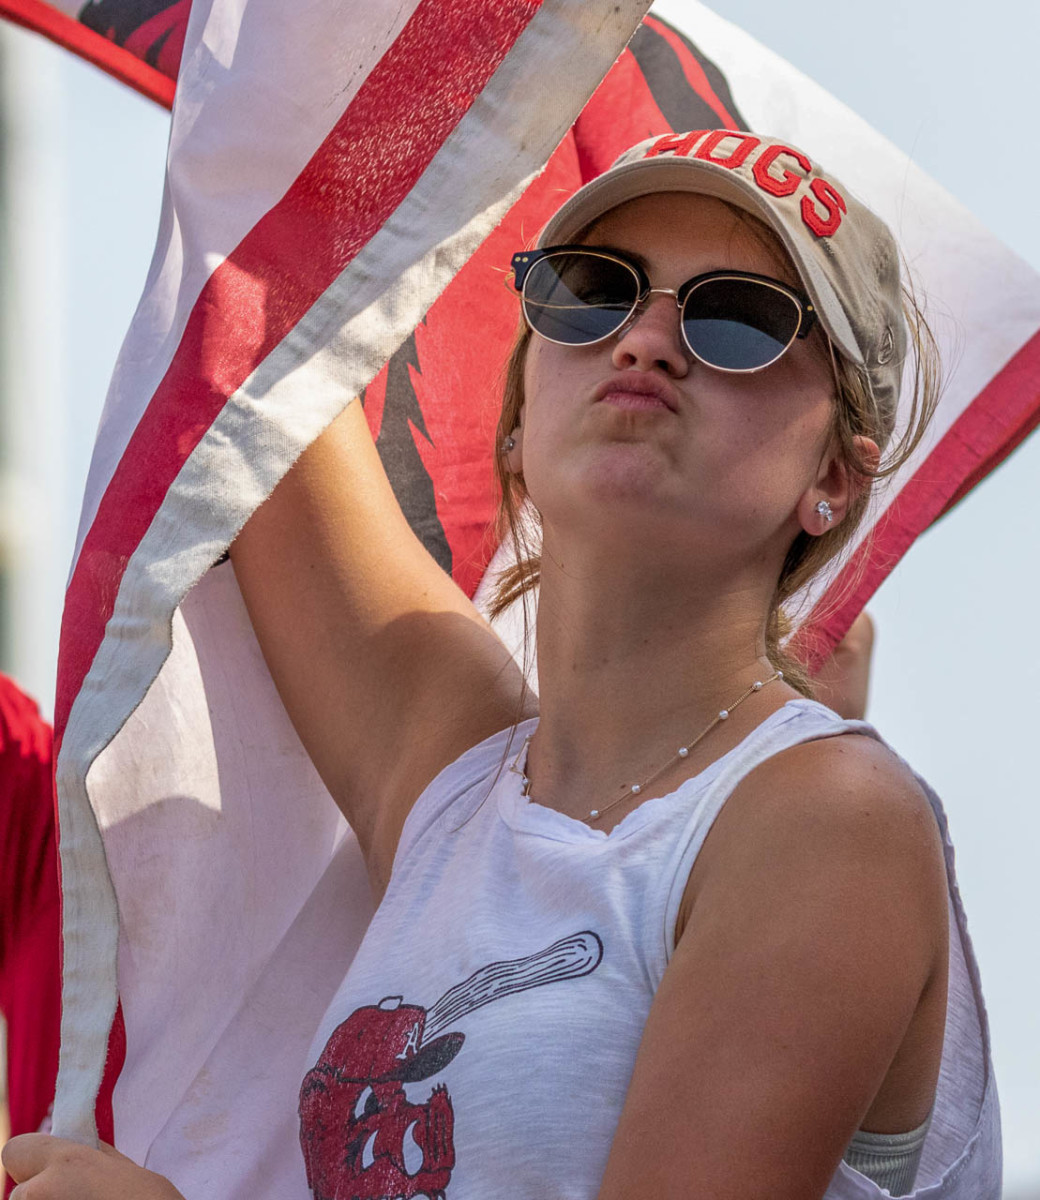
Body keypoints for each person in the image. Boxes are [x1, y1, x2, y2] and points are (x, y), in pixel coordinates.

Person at [3, 129, 1000, 1199]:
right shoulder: (458, 769)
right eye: (591, 293)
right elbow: (266, 285)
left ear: (834, 484)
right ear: (517, 423)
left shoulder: (825, 818)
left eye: (736, 319)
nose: (647, 340)